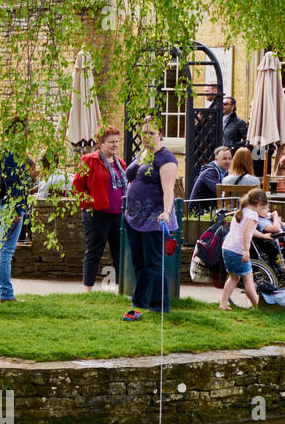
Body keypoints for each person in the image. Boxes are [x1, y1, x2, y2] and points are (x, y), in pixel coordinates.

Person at [122, 118, 178, 320]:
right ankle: (139, 302)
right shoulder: (143, 153)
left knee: (154, 263)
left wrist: (166, 211)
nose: (146, 137)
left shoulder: (166, 158)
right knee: (139, 262)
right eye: (143, 133)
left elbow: (168, 190)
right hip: (133, 218)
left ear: (161, 134)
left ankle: (159, 305)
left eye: (151, 133)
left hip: (154, 219)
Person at [72, 124, 128, 290]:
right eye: (111, 141)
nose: (115, 145)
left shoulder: (121, 163)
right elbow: (77, 186)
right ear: (100, 143)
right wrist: (88, 205)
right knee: (94, 251)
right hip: (96, 214)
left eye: (117, 141)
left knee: (119, 252)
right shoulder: (89, 160)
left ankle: (121, 288)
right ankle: (87, 289)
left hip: (118, 214)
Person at [0, 117, 33, 303]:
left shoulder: (1, 152)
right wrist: (15, 211)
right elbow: (13, 184)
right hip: (11, 206)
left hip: (3, 203)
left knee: (3, 248)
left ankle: (3, 292)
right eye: (25, 132)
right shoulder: (13, 154)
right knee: (6, 250)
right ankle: (5, 293)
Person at [218, 189, 267, 311]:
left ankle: (223, 304)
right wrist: (246, 250)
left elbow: (249, 230)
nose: (263, 209)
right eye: (264, 207)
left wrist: (263, 235)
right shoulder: (253, 215)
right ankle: (257, 305)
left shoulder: (243, 211)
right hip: (238, 250)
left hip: (228, 248)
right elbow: (246, 232)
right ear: (259, 203)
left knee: (234, 277)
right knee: (248, 278)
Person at [189, 145, 232, 211]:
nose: (228, 161)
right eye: (224, 158)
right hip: (198, 213)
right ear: (216, 159)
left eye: (229, 158)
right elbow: (220, 193)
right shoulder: (210, 172)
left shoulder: (225, 171)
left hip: (211, 211)